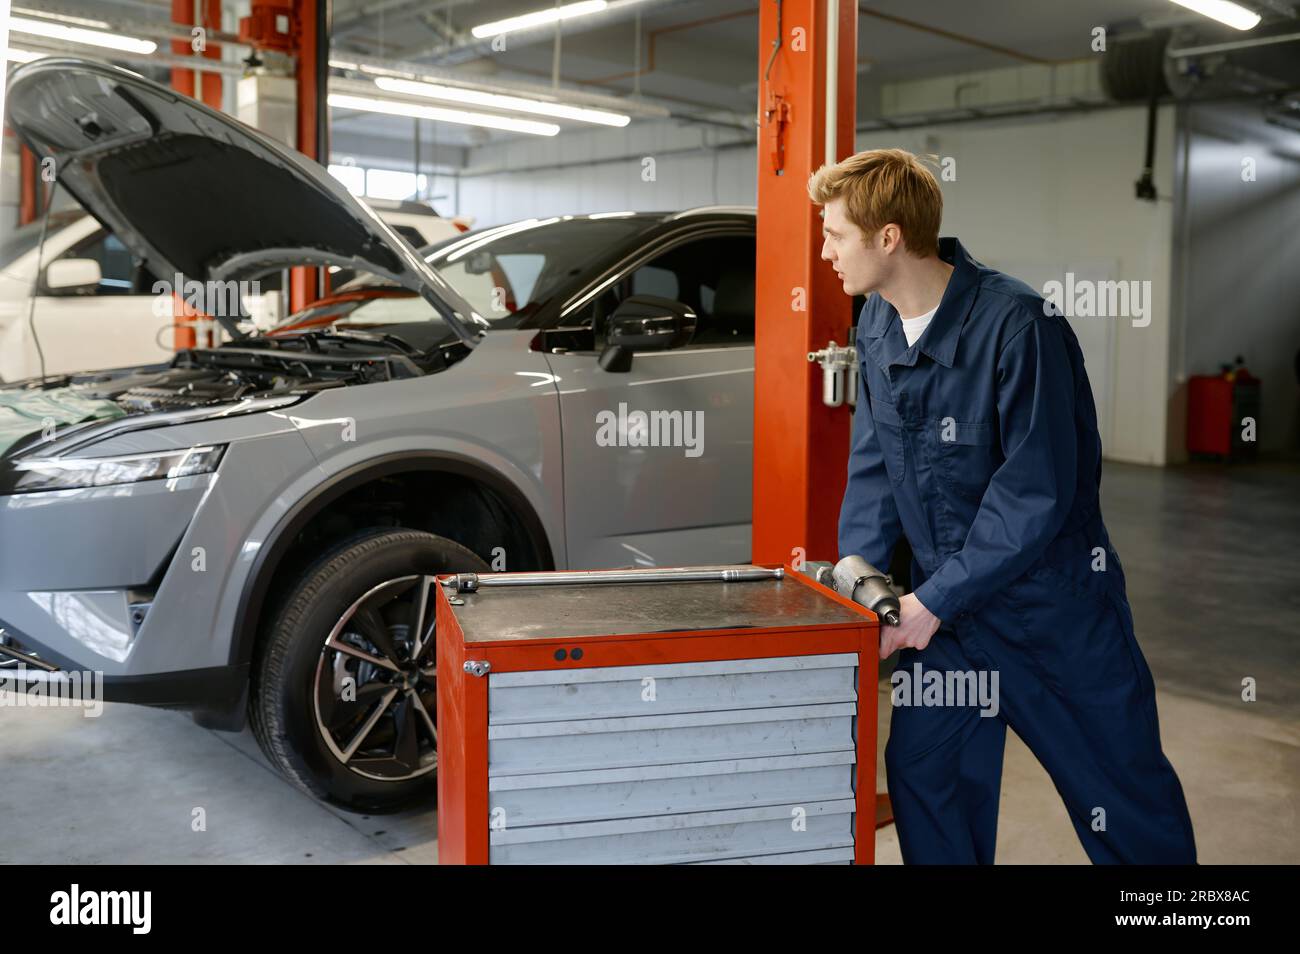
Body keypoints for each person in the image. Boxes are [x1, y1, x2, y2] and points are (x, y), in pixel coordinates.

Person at [810, 148, 1197, 864]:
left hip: (1052, 617)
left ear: (887, 237)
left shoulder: (1019, 327)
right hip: (948, 624)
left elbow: (1033, 495)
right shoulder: (876, 322)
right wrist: (859, 576)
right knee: (928, 777)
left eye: (834, 233)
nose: (824, 250)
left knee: (1122, 800)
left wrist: (931, 604)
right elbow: (873, 462)